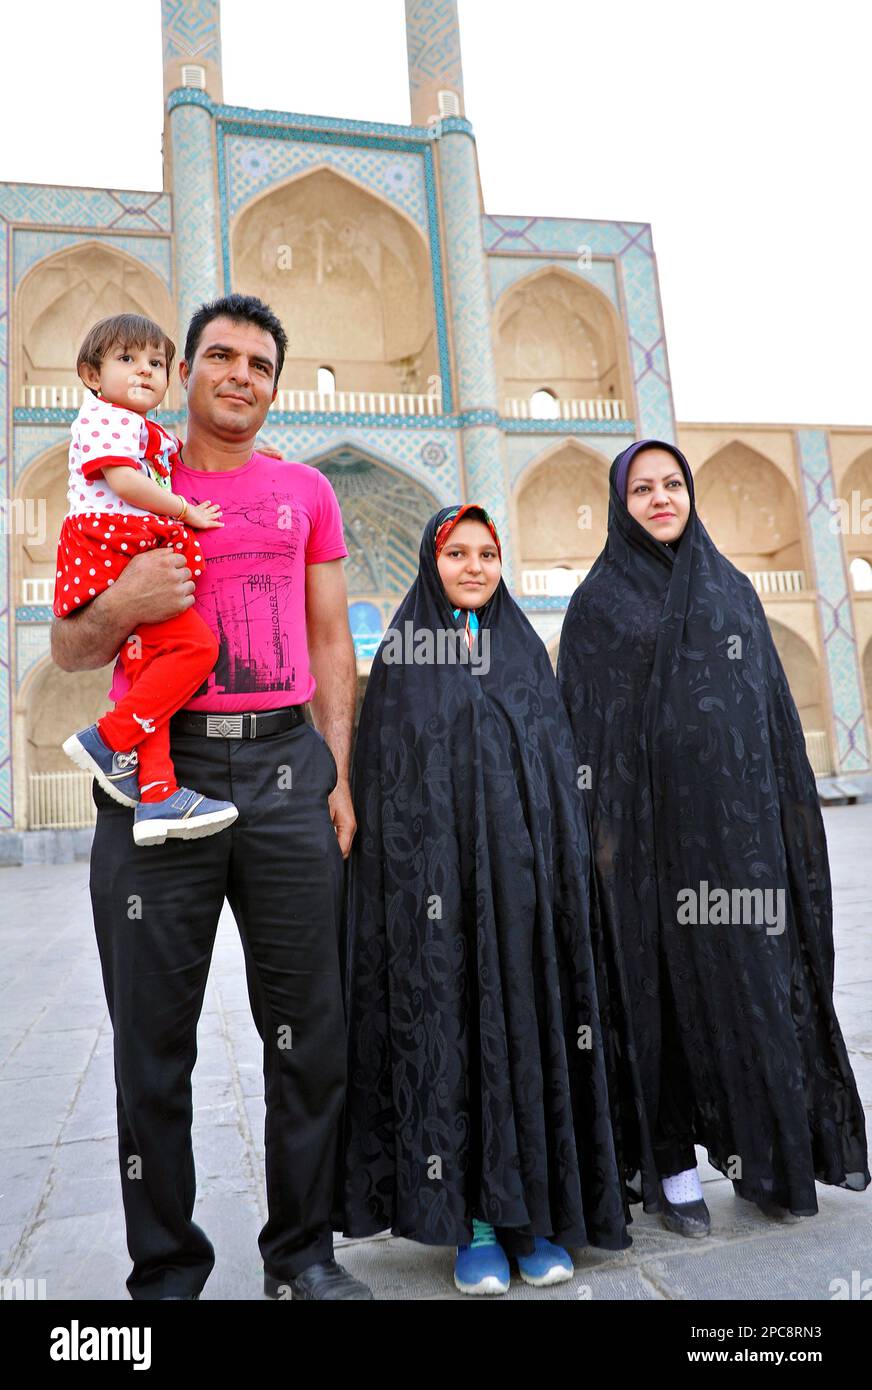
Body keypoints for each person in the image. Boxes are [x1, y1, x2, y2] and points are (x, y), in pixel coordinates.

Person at [50, 293, 372, 1301]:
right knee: (151, 1046)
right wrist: (123, 605)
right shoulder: (124, 480)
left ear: (276, 385)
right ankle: (168, 1272)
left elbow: (330, 644)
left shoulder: (305, 493)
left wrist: (340, 774)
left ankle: (302, 1255)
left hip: (284, 771)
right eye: (220, 356)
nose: (240, 375)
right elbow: (69, 645)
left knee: (307, 1032)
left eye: (260, 364)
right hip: (161, 774)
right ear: (181, 371)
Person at [557, 439, 870, 1237]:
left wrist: (789, 832)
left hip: (741, 846)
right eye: (641, 490)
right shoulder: (599, 606)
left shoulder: (731, 589)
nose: (661, 499)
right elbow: (586, 736)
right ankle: (668, 1169)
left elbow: (771, 720)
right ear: (618, 505)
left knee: (754, 993)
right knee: (658, 1000)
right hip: (649, 857)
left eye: (672, 485)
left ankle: (763, 1157)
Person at [339, 503, 630, 1296]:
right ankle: (470, 1225)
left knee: (531, 1035)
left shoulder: (525, 654)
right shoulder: (403, 656)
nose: (473, 566)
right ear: (431, 564)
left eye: (487, 553)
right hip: (437, 904)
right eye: (457, 553)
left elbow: (555, 766)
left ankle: (530, 1219)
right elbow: (385, 778)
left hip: (524, 896)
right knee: (454, 1036)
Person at [58, 313, 238, 846]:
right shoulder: (106, 418)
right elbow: (127, 480)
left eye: (156, 363)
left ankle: (157, 792)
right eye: (127, 360)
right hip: (113, 548)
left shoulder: (142, 428)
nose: (145, 371)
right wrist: (186, 511)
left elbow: (172, 459)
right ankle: (108, 739)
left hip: (121, 545)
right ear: (92, 374)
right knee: (196, 648)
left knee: (151, 678)